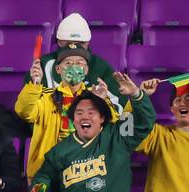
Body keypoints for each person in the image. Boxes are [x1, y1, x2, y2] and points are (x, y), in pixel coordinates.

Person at [27, 70, 155, 192]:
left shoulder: (117, 137)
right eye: (79, 113)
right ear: (73, 120)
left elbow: (145, 121)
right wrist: (39, 187)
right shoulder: (59, 151)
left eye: (91, 112)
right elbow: (44, 176)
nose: (85, 117)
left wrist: (136, 94)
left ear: (102, 118)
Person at [18, 44, 123, 178]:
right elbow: (24, 111)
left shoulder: (96, 96)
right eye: (68, 63)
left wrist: (102, 101)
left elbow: (112, 122)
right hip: (52, 168)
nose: (74, 67)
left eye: (79, 63)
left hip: (88, 167)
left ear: (86, 70)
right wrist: (35, 84)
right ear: (57, 69)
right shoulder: (45, 97)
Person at [35, 13, 117, 94]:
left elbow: (118, 104)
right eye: (68, 43)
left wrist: (100, 102)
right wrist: (35, 85)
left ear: (88, 43)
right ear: (59, 42)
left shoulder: (102, 67)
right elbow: (28, 106)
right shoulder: (42, 65)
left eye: (80, 44)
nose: (74, 48)